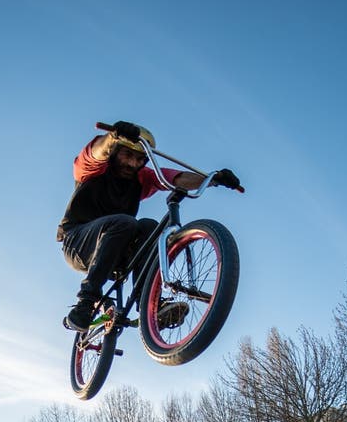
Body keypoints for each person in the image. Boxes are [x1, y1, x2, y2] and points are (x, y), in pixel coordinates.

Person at [57, 121, 240, 332]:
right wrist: (113, 137)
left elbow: (176, 178)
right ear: (115, 152)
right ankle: (85, 303)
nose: (133, 164)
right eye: (127, 155)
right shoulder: (93, 170)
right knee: (126, 222)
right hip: (78, 243)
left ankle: (150, 306)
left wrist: (213, 179)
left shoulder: (142, 179)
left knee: (149, 226)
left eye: (139, 159)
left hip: (115, 249)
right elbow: (95, 152)